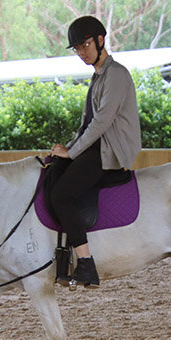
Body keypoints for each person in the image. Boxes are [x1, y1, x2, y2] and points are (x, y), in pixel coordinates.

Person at [49, 15, 142, 290]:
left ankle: (87, 264)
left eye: (85, 44)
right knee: (53, 170)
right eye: (77, 48)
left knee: (62, 195)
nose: (81, 52)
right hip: (96, 145)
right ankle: (62, 259)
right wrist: (66, 149)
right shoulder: (98, 77)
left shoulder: (116, 74)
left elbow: (101, 121)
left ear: (101, 40)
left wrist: (73, 152)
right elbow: (86, 123)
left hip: (110, 149)